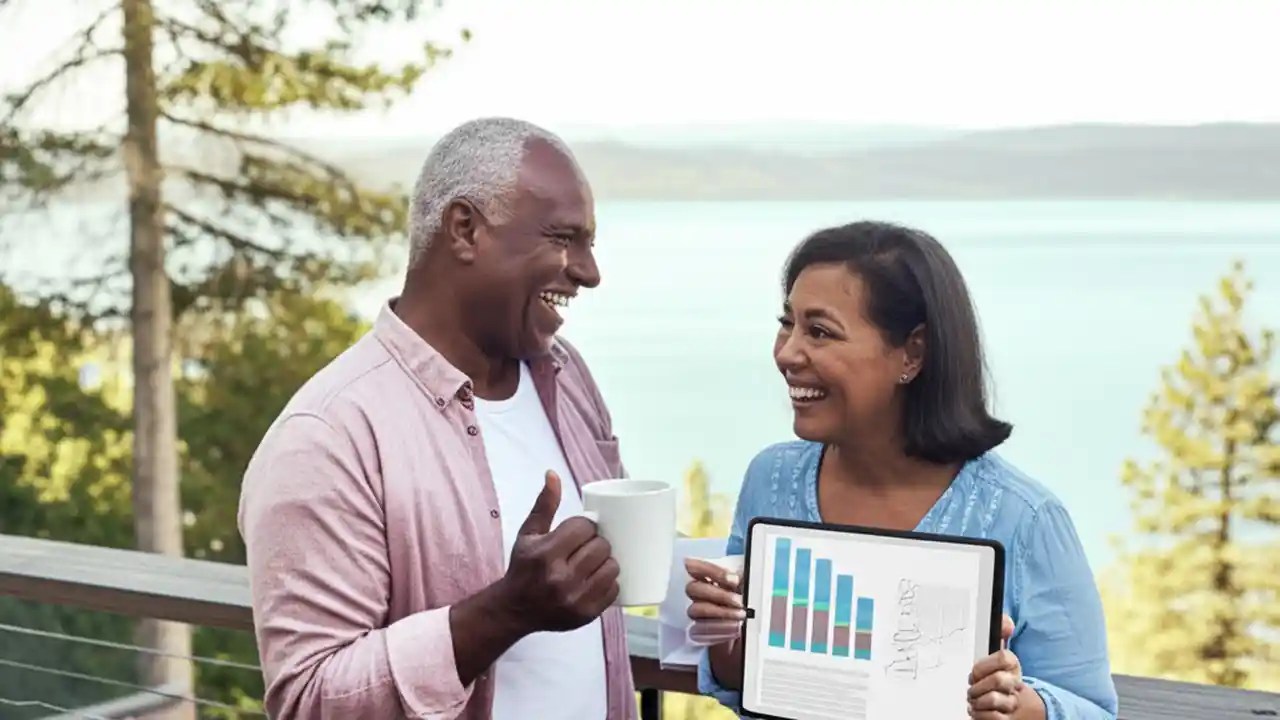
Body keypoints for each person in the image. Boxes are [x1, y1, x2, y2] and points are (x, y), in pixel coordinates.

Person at [238, 117, 637, 720]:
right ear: (465, 229)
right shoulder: (330, 436)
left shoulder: (566, 375)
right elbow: (309, 699)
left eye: (589, 243)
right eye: (563, 238)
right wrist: (504, 612)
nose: (588, 271)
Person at [684, 221, 1119, 720]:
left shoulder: (1026, 520)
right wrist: (723, 633)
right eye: (788, 324)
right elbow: (752, 685)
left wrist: (1015, 705)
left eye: (819, 332)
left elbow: (1093, 710)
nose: (786, 353)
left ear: (912, 353)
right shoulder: (772, 480)